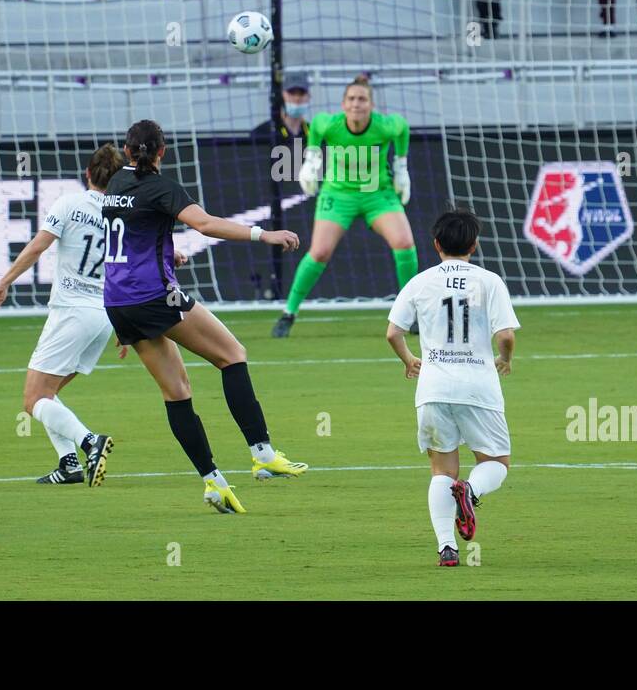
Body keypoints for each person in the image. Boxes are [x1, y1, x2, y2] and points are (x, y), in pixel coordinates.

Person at [104, 119, 307, 514]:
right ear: (162, 152)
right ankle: (262, 453)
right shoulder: (161, 186)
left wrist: (166, 256)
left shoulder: (114, 186)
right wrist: (263, 235)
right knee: (231, 354)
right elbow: (206, 224)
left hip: (118, 300)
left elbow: (133, 237)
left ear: (128, 152)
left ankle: (214, 483)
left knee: (176, 392)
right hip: (152, 296)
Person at [0, 145, 125, 487]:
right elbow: (129, 268)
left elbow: (37, 246)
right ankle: (69, 464)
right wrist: (126, 325)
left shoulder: (70, 204)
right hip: (103, 318)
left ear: (88, 173)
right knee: (48, 394)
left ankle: (91, 441)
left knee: (33, 400)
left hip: (71, 313)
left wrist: (3, 283)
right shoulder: (122, 218)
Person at [386, 209, 520, 568]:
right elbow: (505, 335)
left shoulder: (419, 282)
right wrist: (505, 358)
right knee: (497, 463)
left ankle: (447, 548)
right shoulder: (489, 281)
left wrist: (409, 360)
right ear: (474, 245)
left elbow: (392, 332)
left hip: (433, 389)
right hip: (478, 387)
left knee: (442, 472)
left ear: (435, 245)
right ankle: (471, 491)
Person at [271, 75, 417, 338]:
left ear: (371, 105)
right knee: (319, 252)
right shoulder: (329, 124)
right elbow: (315, 127)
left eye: (362, 99)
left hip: (378, 194)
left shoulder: (385, 126)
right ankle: (288, 313)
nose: (356, 104)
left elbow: (402, 128)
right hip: (338, 195)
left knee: (404, 242)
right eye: (351, 99)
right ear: (343, 104)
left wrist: (401, 166)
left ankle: (410, 314)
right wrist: (312, 159)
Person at [251, 70, 311, 148]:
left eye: (301, 93)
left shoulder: (314, 134)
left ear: (309, 96)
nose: (297, 98)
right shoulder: (262, 133)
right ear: (282, 95)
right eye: (291, 92)